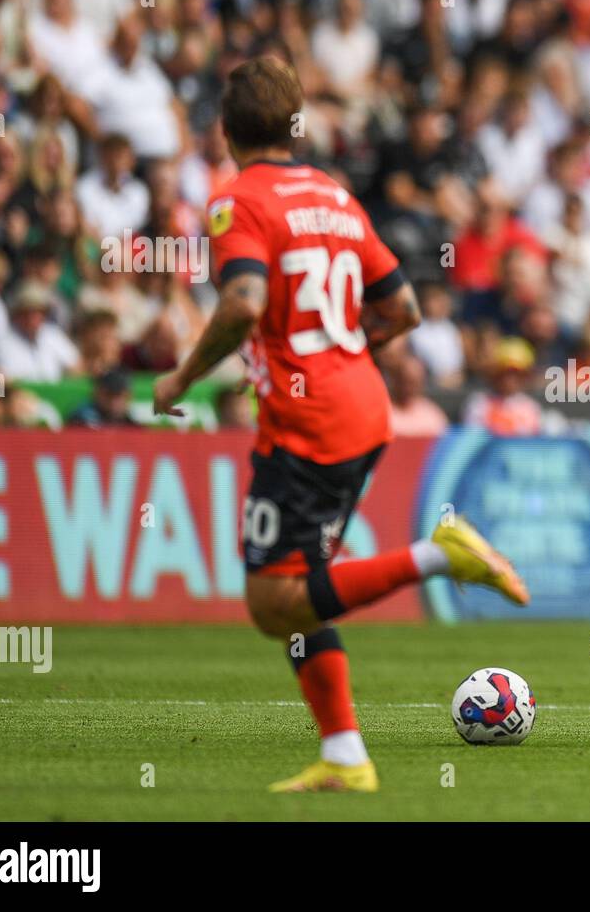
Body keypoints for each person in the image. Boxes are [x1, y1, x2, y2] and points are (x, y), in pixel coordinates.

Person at [152, 58, 529, 793]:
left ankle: (438, 554)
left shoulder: (237, 202)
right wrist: (340, 350)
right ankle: (346, 754)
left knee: (272, 600)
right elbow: (405, 310)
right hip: (363, 402)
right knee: (297, 590)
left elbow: (239, 302)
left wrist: (184, 376)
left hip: (309, 420)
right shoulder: (334, 195)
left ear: (226, 131)